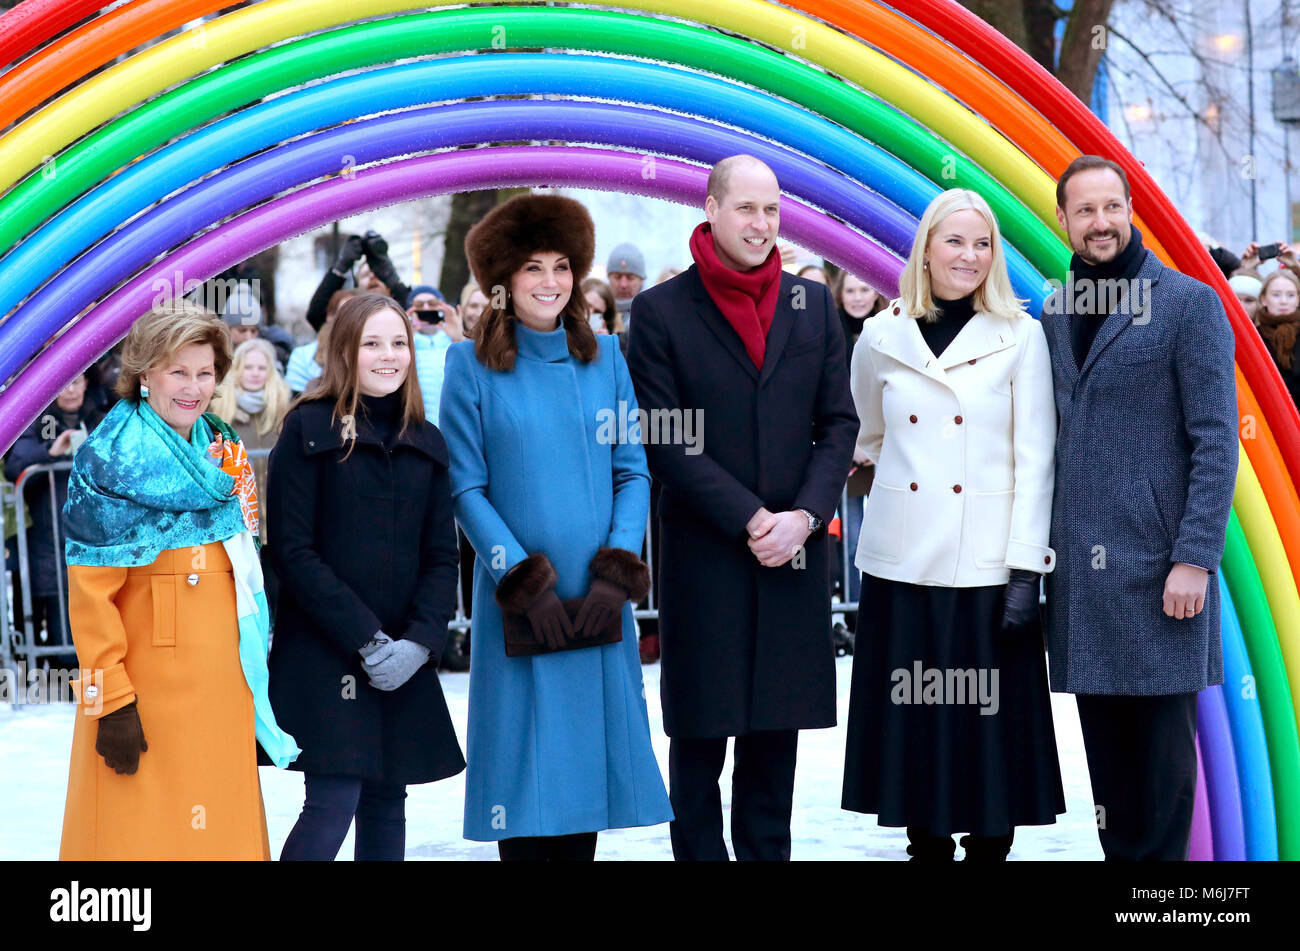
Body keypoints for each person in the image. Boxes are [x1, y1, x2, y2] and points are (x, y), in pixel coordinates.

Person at [627, 154, 858, 861]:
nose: (761, 224)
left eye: (772, 210)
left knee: (772, 747)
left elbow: (839, 424)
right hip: (707, 556)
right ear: (712, 209)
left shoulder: (811, 303)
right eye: (747, 208)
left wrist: (805, 517)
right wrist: (752, 517)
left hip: (792, 557)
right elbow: (665, 436)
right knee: (699, 744)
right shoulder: (661, 310)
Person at [440, 193, 673, 860]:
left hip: (596, 600)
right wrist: (517, 573)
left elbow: (633, 470)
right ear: (505, 281)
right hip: (521, 603)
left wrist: (618, 568)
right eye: (533, 267)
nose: (550, 281)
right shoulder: (469, 365)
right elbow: (465, 484)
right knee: (524, 787)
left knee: (583, 790)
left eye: (562, 265)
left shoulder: (606, 357)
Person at [841, 188, 1065, 861]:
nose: (969, 255)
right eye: (955, 241)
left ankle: (990, 848)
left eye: (982, 243)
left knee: (987, 742)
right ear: (926, 249)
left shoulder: (1022, 335)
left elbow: (1037, 455)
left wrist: (1027, 566)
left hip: (989, 568)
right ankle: (926, 846)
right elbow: (867, 432)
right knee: (916, 740)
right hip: (904, 565)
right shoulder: (881, 334)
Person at [1041, 156, 1238, 861]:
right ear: (1062, 219)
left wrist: (1194, 558)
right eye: (1085, 210)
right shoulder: (1056, 311)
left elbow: (1216, 442)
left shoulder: (1188, 303)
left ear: (1131, 212)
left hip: (1161, 579)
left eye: (1111, 208)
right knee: (1112, 786)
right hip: (1086, 587)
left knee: (1162, 785)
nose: (1100, 223)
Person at [57, 299, 298, 860]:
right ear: (144, 375)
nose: (194, 387)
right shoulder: (111, 459)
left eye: (206, 373)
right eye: (178, 372)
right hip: (145, 695)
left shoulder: (223, 452)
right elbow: (91, 598)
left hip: (220, 687)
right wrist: (110, 700)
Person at [267, 292, 465, 861]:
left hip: (402, 656)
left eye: (398, 343)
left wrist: (421, 642)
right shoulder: (307, 431)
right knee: (334, 801)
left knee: (386, 801)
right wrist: (367, 639)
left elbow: (441, 558)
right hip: (327, 654)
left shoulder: (425, 442)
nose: (388, 356)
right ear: (345, 352)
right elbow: (294, 551)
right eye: (372, 343)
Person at [4, 373, 104, 669]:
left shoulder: (102, 418)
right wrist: (49, 453)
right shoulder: (37, 420)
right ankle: (58, 676)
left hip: (94, 534)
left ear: (87, 382)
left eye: (76, 382)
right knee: (57, 613)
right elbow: (14, 463)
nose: (70, 390)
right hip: (49, 536)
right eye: (63, 382)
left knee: (96, 606)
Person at [830, 270, 887, 623]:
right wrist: (852, 445)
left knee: (886, 532)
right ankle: (854, 614)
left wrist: (875, 444)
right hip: (847, 453)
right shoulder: (831, 331)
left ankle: (881, 611)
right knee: (851, 535)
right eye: (850, 290)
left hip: (884, 451)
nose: (857, 297)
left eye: (864, 288)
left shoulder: (889, 329)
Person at [209, 338, 292, 543]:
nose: (255, 373)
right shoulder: (220, 410)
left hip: (279, 515)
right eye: (248, 367)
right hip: (237, 520)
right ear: (236, 370)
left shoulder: (284, 410)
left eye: (262, 368)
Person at [305, 231, 410, 333]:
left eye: (379, 274)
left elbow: (410, 307)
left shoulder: (400, 314)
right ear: (357, 283)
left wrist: (392, 277)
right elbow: (315, 315)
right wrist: (340, 268)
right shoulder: (346, 316)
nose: (372, 277)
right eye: (365, 275)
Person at [406, 284, 461, 425]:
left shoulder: (456, 343)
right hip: (420, 430)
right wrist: (403, 339)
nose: (425, 308)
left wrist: (460, 337)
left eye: (432, 303)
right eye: (419, 305)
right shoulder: (404, 347)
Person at [285, 289, 356, 395]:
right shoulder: (304, 355)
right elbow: (295, 397)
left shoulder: (373, 352)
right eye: (345, 312)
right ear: (330, 317)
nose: (351, 320)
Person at [220, 282, 293, 374]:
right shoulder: (214, 356)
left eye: (253, 331)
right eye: (242, 330)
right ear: (227, 329)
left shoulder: (273, 356)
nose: (248, 337)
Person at [1253, 268, 1300, 407]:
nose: (1284, 301)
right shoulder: (1255, 336)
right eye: (1276, 295)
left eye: (1291, 295)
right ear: (1263, 299)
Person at [606, 241, 646, 328]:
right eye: (617, 277)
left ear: (642, 280)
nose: (623, 285)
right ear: (608, 278)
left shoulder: (652, 317)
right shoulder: (594, 312)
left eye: (630, 277)